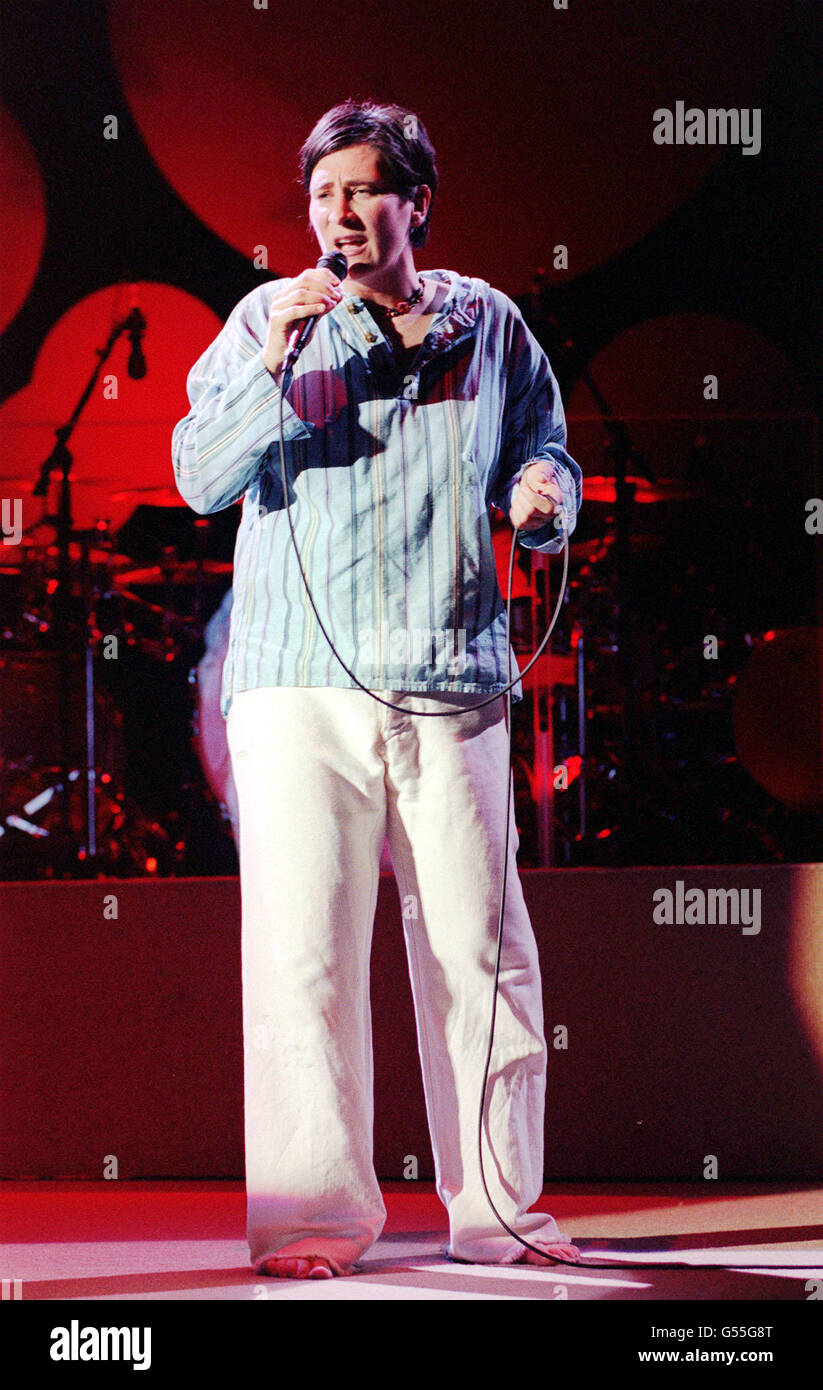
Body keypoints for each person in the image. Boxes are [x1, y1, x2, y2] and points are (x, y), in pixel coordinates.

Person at [172, 99, 582, 1280]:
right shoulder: (268, 319)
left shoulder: (488, 323)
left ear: (414, 202)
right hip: (297, 685)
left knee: (483, 954)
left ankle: (501, 1213)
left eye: (363, 190)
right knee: (303, 959)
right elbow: (199, 475)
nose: (339, 215)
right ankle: (311, 1223)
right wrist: (265, 366)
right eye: (320, 195)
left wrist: (542, 498)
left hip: (449, 678)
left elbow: (543, 448)